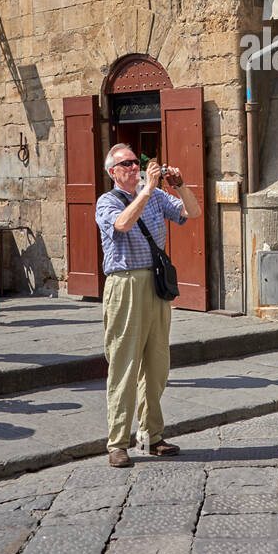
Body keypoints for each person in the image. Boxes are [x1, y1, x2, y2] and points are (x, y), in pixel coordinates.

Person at [95, 145, 201, 467]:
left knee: (157, 365)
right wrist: (149, 189)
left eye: (135, 162)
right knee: (124, 364)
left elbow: (192, 212)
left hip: (155, 285)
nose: (134, 167)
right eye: (126, 164)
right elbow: (123, 225)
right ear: (113, 172)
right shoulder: (107, 201)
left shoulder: (154, 196)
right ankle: (117, 442)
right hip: (125, 284)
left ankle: (152, 435)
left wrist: (179, 185)